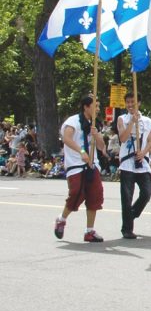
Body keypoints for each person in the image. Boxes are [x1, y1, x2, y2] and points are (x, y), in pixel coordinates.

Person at [53, 94, 107, 243]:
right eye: (95, 106)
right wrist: (81, 151)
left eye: (98, 106)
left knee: (95, 195)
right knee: (76, 193)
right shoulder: (73, 121)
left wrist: (97, 135)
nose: (97, 109)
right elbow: (67, 138)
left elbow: (102, 147)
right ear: (86, 106)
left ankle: (89, 231)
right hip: (76, 164)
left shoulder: (95, 123)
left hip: (92, 163)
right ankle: (61, 219)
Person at [117, 92, 151, 239]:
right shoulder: (122, 119)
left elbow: (150, 140)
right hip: (127, 162)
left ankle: (132, 214)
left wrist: (144, 151)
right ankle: (127, 229)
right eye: (128, 102)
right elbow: (123, 137)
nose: (130, 105)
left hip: (142, 162)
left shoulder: (148, 121)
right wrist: (132, 122)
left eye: (133, 102)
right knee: (126, 196)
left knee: (146, 193)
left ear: (139, 103)